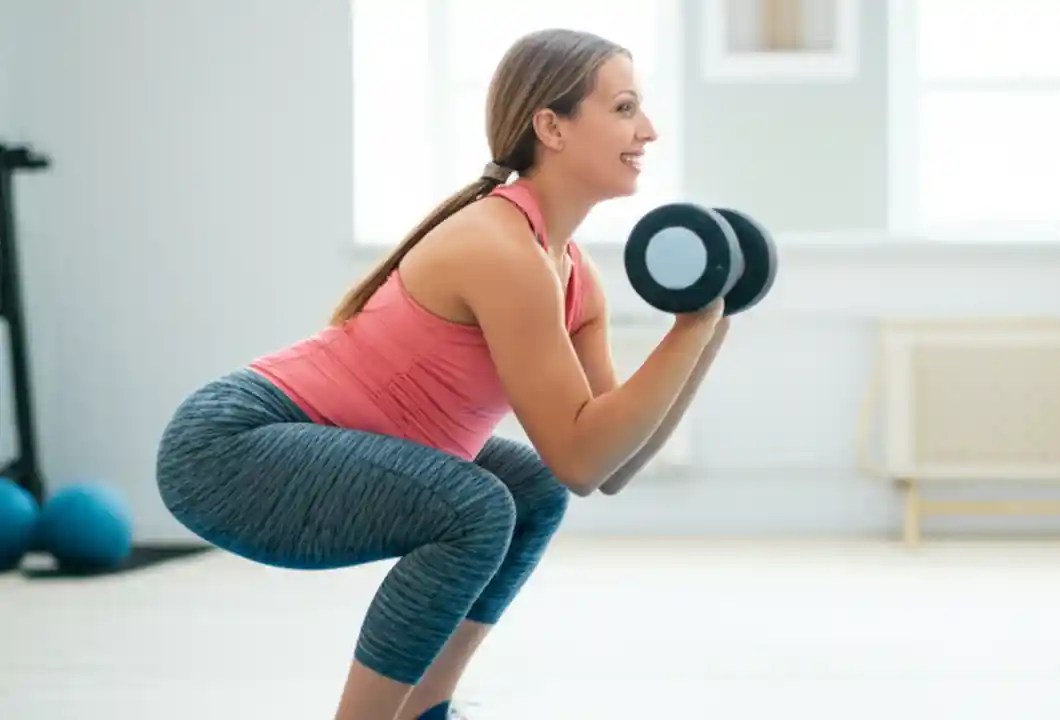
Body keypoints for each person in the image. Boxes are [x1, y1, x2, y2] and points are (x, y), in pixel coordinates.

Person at [155, 28, 729, 720]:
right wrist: (692, 327)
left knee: (532, 491)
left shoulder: (574, 273)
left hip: (305, 442)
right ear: (551, 126)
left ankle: (426, 708)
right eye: (624, 108)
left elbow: (610, 463)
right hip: (232, 449)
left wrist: (706, 325)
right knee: (477, 506)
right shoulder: (500, 248)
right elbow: (584, 455)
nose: (649, 131)